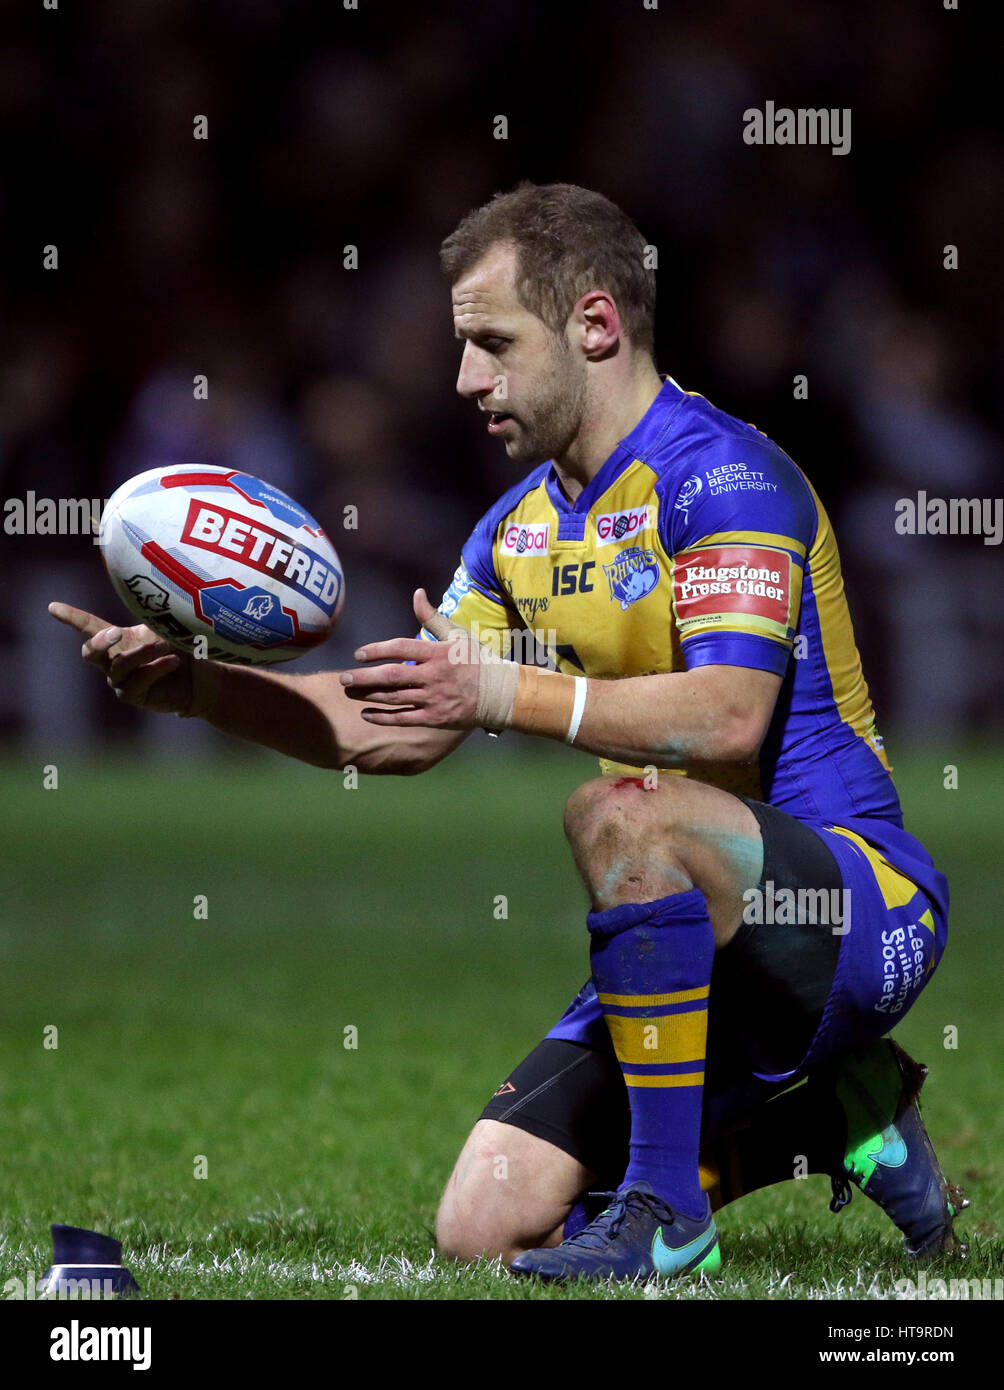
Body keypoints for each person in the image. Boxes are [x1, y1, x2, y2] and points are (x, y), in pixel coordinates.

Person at [50, 182, 965, 1284]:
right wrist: (204, 691)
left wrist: (504, 694)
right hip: (682, 905)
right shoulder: (516, 529)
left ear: (593, 323)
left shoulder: (725, 478)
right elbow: (386, 726)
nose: (463, 380)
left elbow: (728, 714)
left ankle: (668, 1215)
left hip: (850, 908)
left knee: (615, 813)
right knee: (482, 1227)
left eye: (490, 343)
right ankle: (841, 1113)